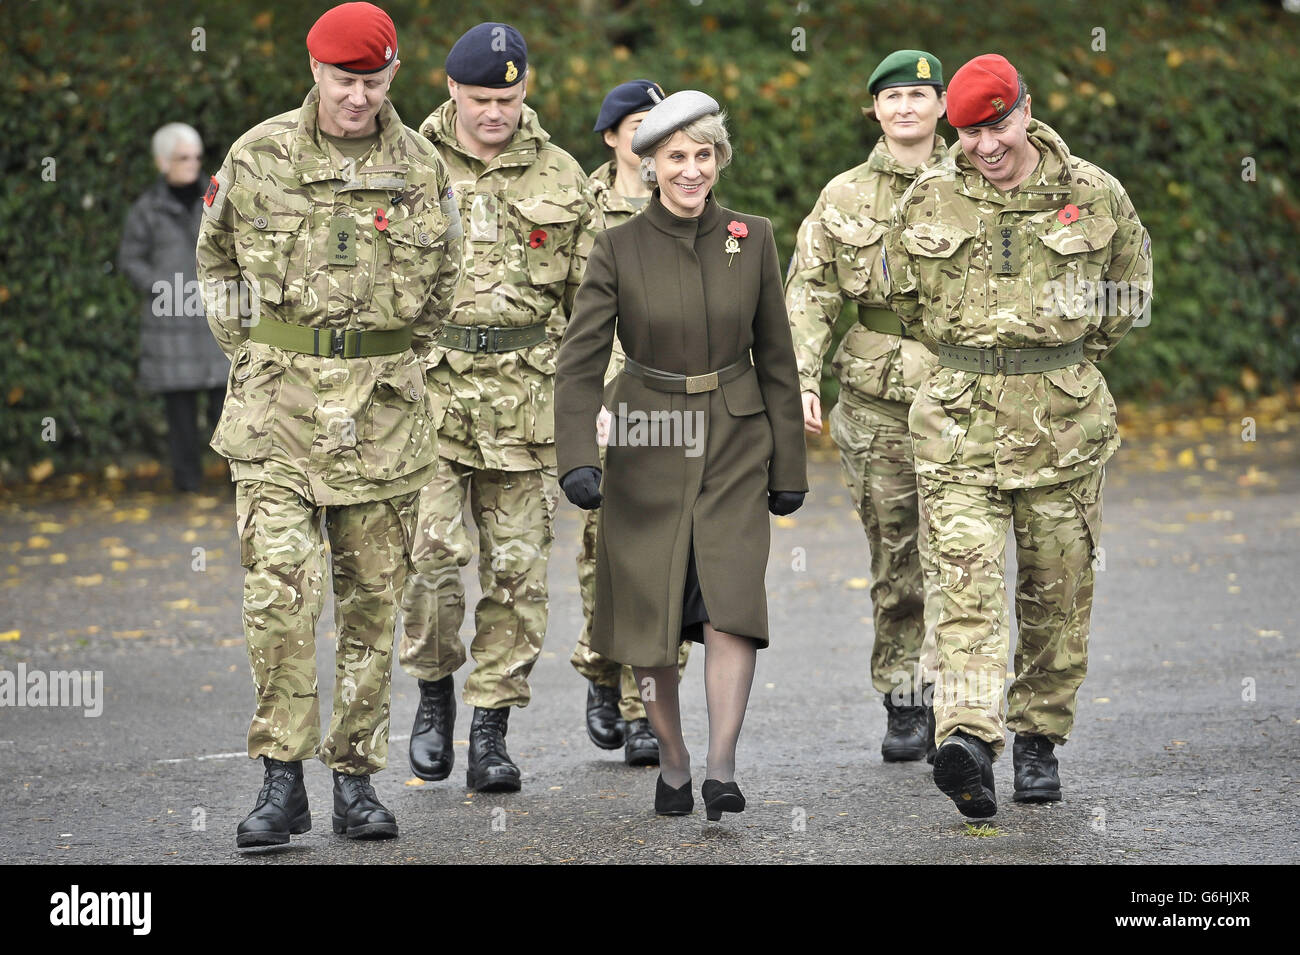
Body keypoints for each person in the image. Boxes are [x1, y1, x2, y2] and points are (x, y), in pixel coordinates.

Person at [196, 1, 463, 848]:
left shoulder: (421, 166)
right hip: (276, 414)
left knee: (371, 607)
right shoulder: (258, 154)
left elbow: (445, 282)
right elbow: (216, 260)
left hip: (383, 420)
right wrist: (259, 352)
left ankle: (354, 780)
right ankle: (282, 781)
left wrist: (391, 361)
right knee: (278, 594)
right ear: (315, 71)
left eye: (375, 81)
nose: (360, 97)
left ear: (394, 77)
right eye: (346, 80)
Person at [884, 54, 1152, 817]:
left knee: (1056, 593)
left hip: (1063, 430)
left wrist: (1061, 365)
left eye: (998, 125)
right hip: (956, 429)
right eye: (969, 131)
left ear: (1027, 111)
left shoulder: (1094, 194)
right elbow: (906, 302)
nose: (986, 145)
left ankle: (1039, 736)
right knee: (965, 590)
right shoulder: (927, 197)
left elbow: (1128, 291)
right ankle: (968, 737)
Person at [555, 91, 808, 821]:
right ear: (651, 165)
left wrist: (788, 466)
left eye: (704, 155)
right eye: (676, 156)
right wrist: (579, 454)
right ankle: (673, 757)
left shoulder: (751, 236)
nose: (692, 170)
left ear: (718, 158)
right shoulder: (617, 247)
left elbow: (779, 358)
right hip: (645, 438)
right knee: (652, 617)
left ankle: (722, 766)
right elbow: (578, 363)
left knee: (731, 602)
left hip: (735, 436)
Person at [399, 22, 602, 794]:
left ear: (528, 92)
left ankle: (491, 725)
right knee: (432, 558)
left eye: (509, 98)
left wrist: (595, 404)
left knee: (517, 575)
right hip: (428, 395)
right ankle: (432, 691)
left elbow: (592, 305)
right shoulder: (409, 165)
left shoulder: (561, 175)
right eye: (482, 99)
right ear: (451, 89)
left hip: (528, 401)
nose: (496, 113)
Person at [785, 50, 952, 764]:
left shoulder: (976, 180)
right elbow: (811, 289)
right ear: (876, 111)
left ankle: (963, 698)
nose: (907, 107)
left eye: (920, 94)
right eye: (894, 97)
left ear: (942, 105)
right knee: (897, 550)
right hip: (877, 399)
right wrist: (802, 378)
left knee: (962, 551)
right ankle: (905, 695)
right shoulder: (844, 195)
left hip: (965, 393)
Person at [571, 79, 691, 767]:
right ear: (614, 135)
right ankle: (602, 668)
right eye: (640, 127)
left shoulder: (686, 205)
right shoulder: (575, 209)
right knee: (603, 559)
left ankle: (646, 705)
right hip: (603, 403)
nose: (652, 145)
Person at [117, 122, 230, 493]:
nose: (192, 164)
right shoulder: (147, 210)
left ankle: (238, 483)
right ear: (162, 161)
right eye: (183, 158)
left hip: (215, 323)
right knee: (179, 412)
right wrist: (159, 285)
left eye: (196, 157)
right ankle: (187, 484)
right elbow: (130, 258)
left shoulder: (216, 200)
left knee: (228, 408)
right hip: (169, 325)